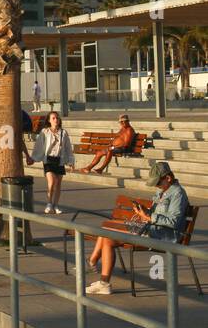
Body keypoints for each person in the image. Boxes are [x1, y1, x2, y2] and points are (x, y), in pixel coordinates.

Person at [85, 162, 189, 295]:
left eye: (157, 183)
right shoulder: (162, 191)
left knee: (108, 236)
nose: (156, 186)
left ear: (168, 178)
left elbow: (173, 222)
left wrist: (149, 217)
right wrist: (146, 212)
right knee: (107, 233)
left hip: (164, 235)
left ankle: (95, 268)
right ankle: (100, 277)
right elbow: (155, 213)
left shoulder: (178, 194)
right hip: (151, 230)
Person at [30, 111, 74, 215]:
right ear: (49, 120)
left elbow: (68, 148)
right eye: (53, 118)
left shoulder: (63, 132)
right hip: (48, 160)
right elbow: (39, 146)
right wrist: (33, 158)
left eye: (57, 118)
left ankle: (56, 205)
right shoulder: (45, 132)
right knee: (52, 182)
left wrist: (71, 161)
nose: (56, 120)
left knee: (58, 184)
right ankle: (49, 203)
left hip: (60, 160)